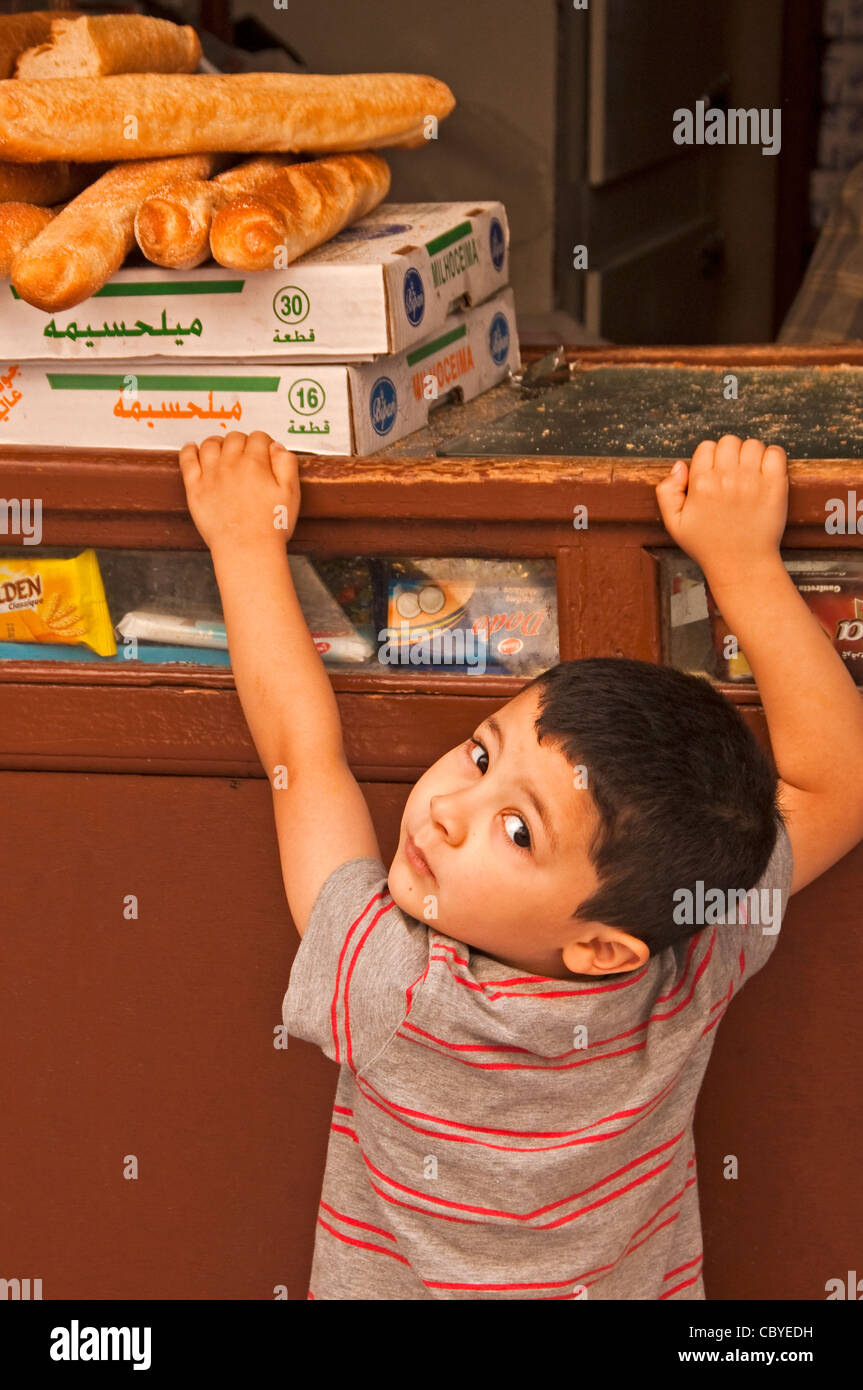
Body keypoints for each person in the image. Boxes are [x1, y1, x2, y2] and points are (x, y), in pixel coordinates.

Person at [178, 431, 863, 1299]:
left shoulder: (387, 984)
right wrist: (741, 562)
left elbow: (301, 759)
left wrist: (243, 540)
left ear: (604, 947)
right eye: (477, 755)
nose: (445, 813)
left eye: (516, 831)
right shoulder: (688, 954)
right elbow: (838, 784)